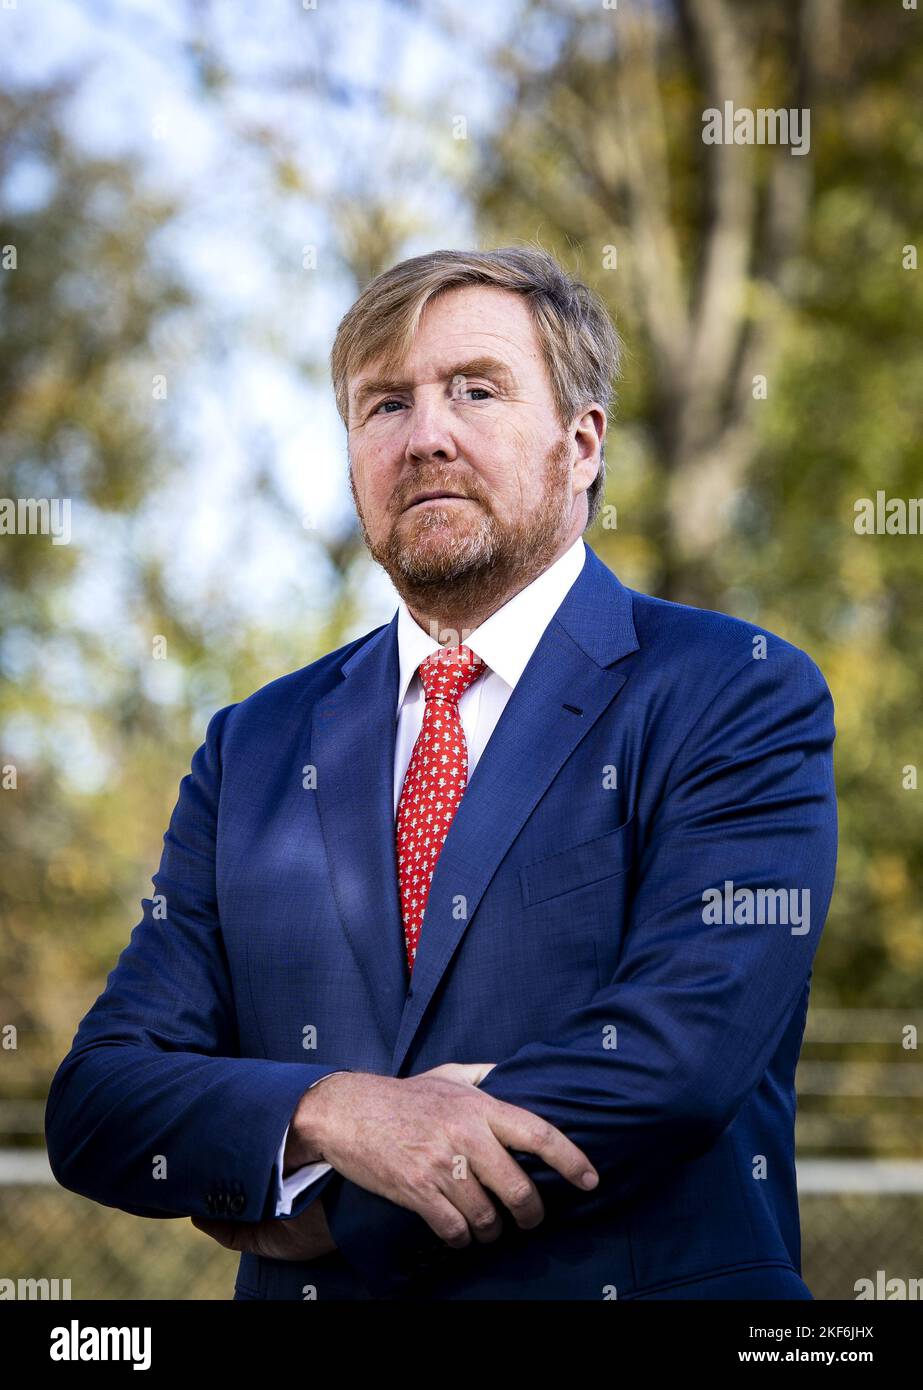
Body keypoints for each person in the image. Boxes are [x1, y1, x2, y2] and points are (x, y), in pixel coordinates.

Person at [45, 246, 837, 1301]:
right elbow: (103, 1098)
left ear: (581, 442)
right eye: (382, 405)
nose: (425, 435)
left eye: (476, 389)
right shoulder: (253, 746)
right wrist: (331, 1113)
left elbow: (675, 1057)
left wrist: (325, 1203)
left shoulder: (730, 692)